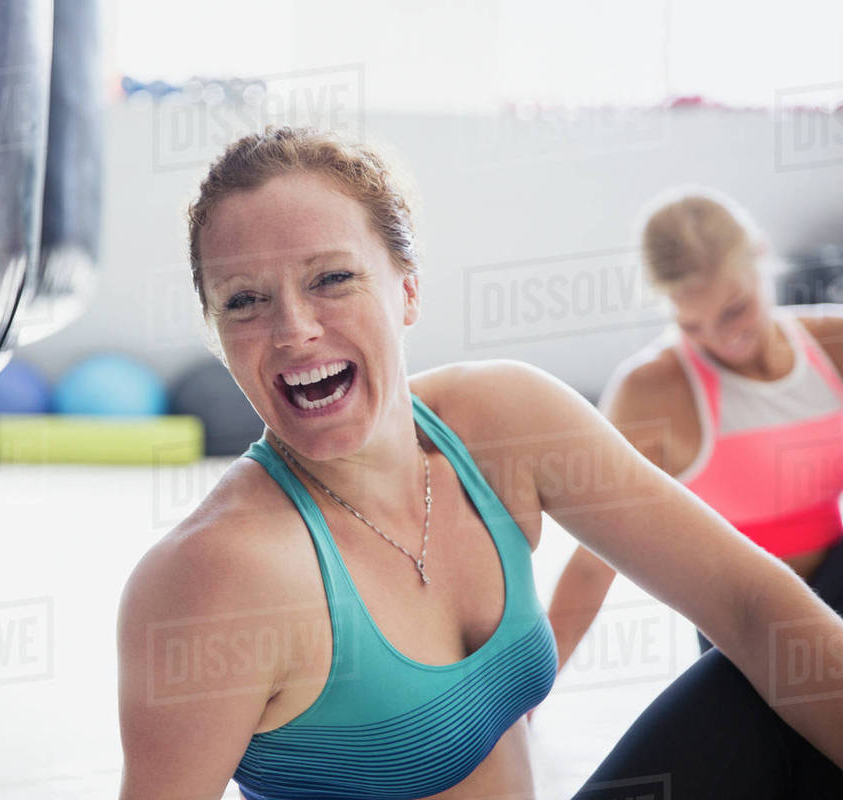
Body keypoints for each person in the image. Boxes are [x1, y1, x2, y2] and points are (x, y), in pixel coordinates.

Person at [116, 128, 843, 800]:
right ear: (216, 336)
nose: (295, 330)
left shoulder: (502, 424)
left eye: (331, 279)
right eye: (244, 301)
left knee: (781, 663)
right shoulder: (211, 578)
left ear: (408, 289)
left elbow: (751, 607)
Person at [547, 189, 843, 672]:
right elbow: (592, 563)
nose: (721, 339)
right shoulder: (652, 390)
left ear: (761, 258)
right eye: (693, 325)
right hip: (741, 628)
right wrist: (523, 700)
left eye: (734, 309)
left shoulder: (834, 344)